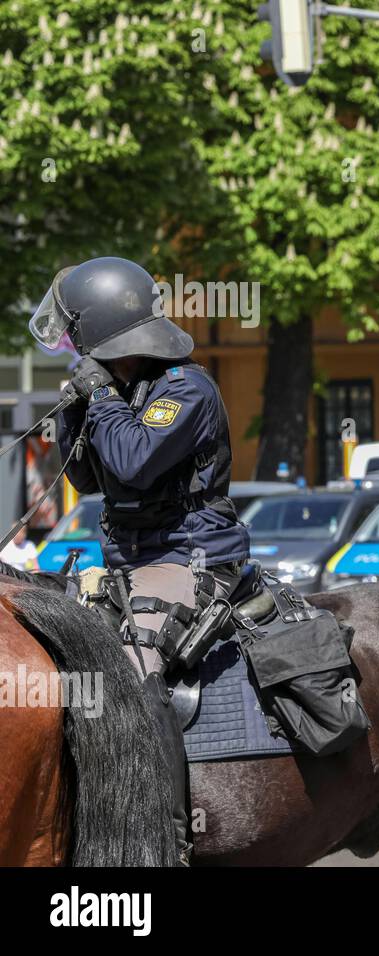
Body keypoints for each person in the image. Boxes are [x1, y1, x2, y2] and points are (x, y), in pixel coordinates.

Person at [38, 256, 250, 863]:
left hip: (193, 557)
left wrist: (101, 395)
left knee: (133, 668)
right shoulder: (122, 391)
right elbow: (88, 473)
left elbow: (133, 462)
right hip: (129, 559)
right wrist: (79, 407)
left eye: (80, 339)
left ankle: (162, 830)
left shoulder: (185, 388)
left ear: (104, 334)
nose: (75, 350)